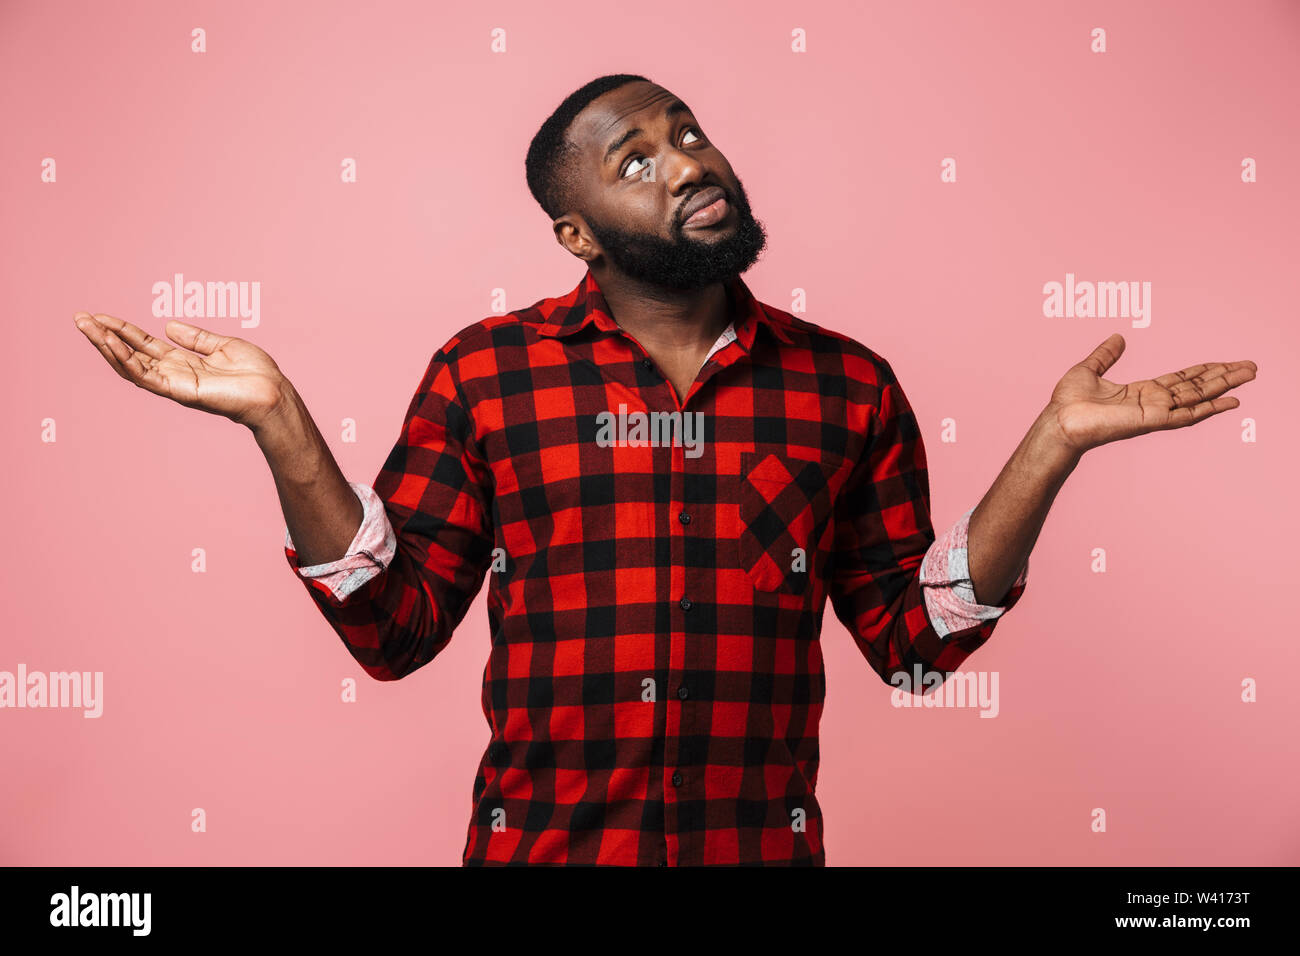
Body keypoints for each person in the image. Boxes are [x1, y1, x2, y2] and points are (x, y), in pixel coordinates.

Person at [73, 73, 1258, 866]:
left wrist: (1050, 445)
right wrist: (280, 419)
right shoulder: (485, 372)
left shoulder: (846, 384)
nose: (684, 163)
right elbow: (393, 630)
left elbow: (918, 643)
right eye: (632, 158)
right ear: (575, 232)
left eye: (686, 132)